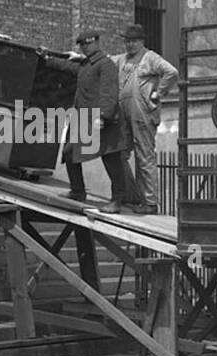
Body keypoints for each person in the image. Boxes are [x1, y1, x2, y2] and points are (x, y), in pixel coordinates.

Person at [41, 31, 129, 214]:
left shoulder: (106, 65)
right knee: (69, 152)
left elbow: (109, 93)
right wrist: (47, 58)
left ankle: (117, 201)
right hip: (84, 119)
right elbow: (67, 67)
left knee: (112, 160)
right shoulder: (85, 64)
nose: (86, 47)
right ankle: (78, 191)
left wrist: (102, 117)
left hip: (103, 121)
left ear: (97, 43)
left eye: (89, 44)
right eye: (83, 45)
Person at [112, 23, 178, 215]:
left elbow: (171, 72)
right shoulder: (122, 59)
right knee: (118, 154)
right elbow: (105, 61)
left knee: (144, 156)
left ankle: (149, 202)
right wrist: (78, 56)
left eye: (133, 41)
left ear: (141, 42)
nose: (129, 45)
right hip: (123, 114)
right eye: (127, 41)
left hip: (142, 113)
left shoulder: (150, 57)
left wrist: (159, 93)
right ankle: (131, 195)